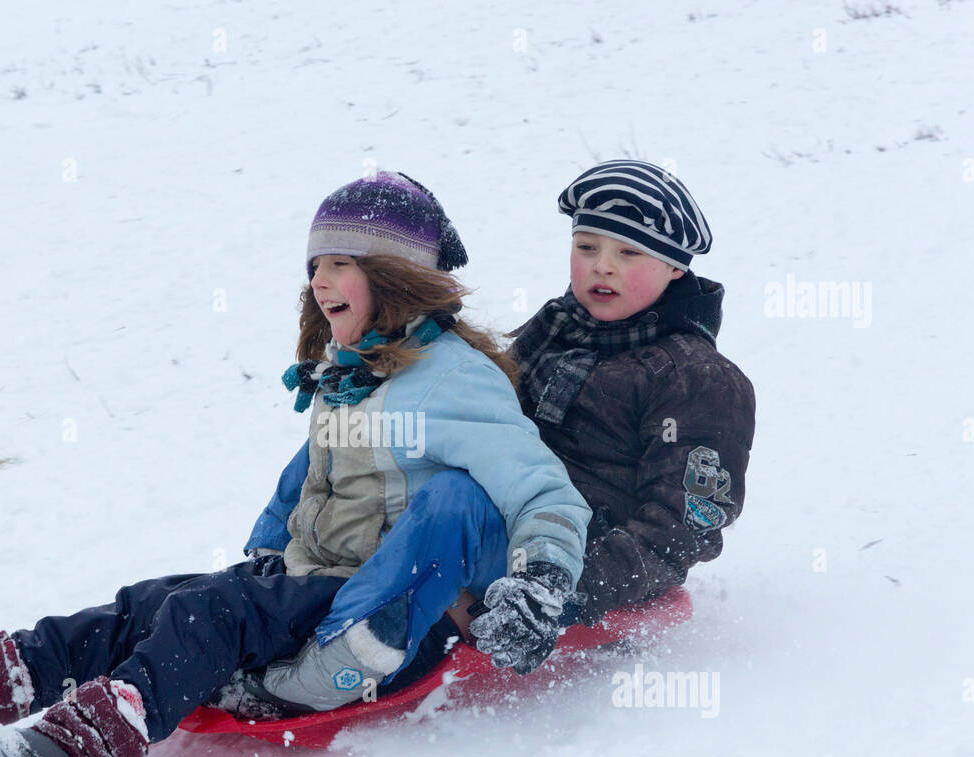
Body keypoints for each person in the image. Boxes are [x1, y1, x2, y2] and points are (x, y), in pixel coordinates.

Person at [0, 171, 592, 757]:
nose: (321, 283)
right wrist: (264, 547)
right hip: (309, 579)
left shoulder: (455, 378)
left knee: (205, 617)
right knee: (148, 605)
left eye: (342, 265)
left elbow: (542, 490)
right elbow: (306, 477)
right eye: (315, 265)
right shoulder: (356, 372)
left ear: (394, 278)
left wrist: (540, 582)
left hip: (379, 617)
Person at [239, 159, 755, 708]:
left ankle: (339, 660)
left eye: (628, 253)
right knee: (354, 426)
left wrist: (558, 592)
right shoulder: (552, 329)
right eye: (586, 248)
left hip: (564, 560)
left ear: (676, 267)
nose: (602, 268)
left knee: (449, 496)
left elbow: (683, 528)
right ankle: (273, 563)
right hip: (486, 520)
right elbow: (476, 418)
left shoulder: (698, 380)